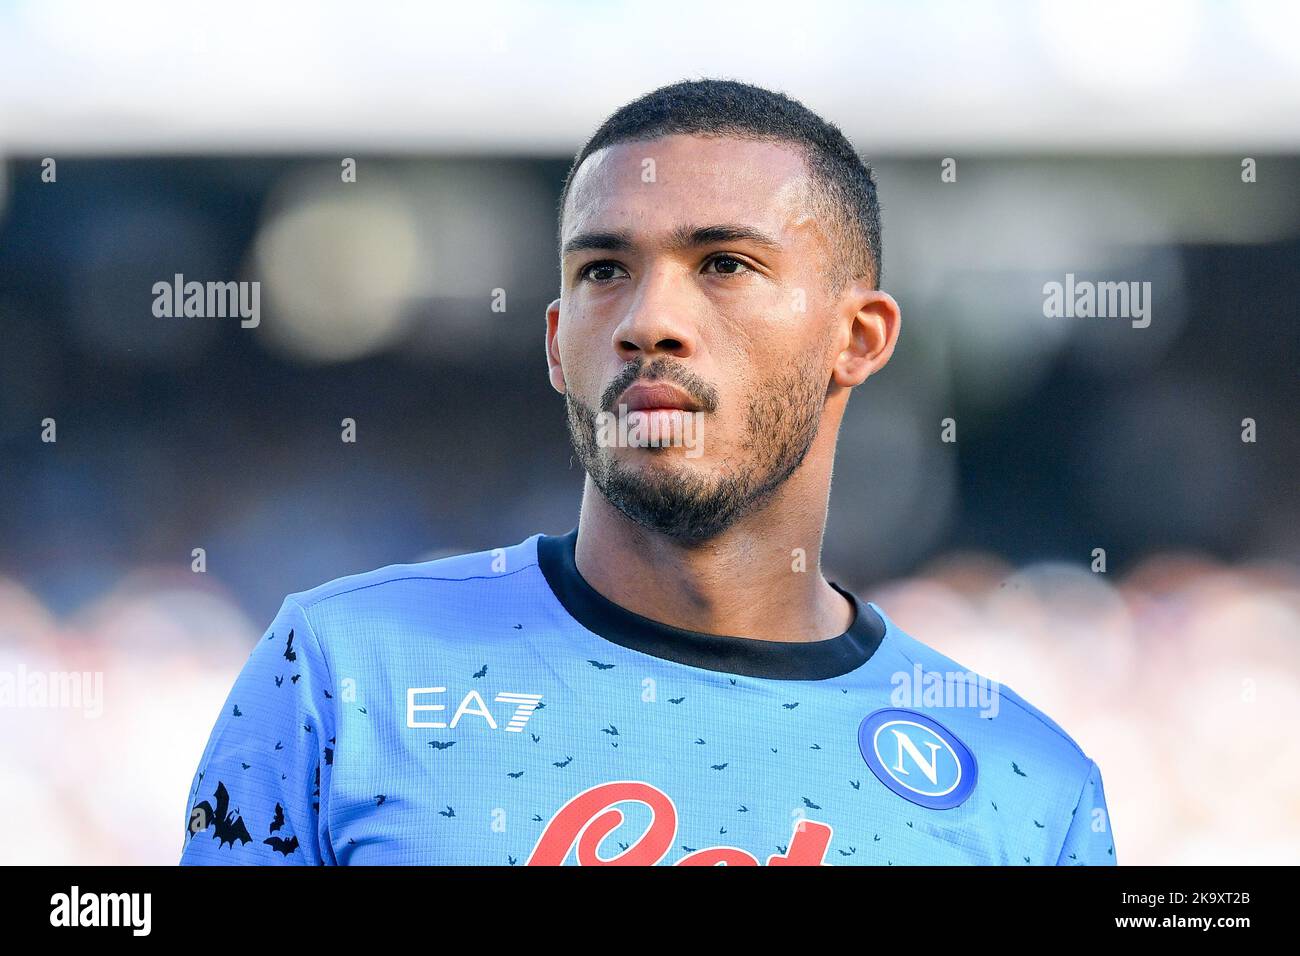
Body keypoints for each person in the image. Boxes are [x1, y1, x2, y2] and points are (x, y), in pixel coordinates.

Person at [181, 78, 1114, 866]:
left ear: (856, 338)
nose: (648, 319)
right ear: (557, 344)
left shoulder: (1027, 792)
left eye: (724, 263)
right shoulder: (342, 671)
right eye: (602, 270)